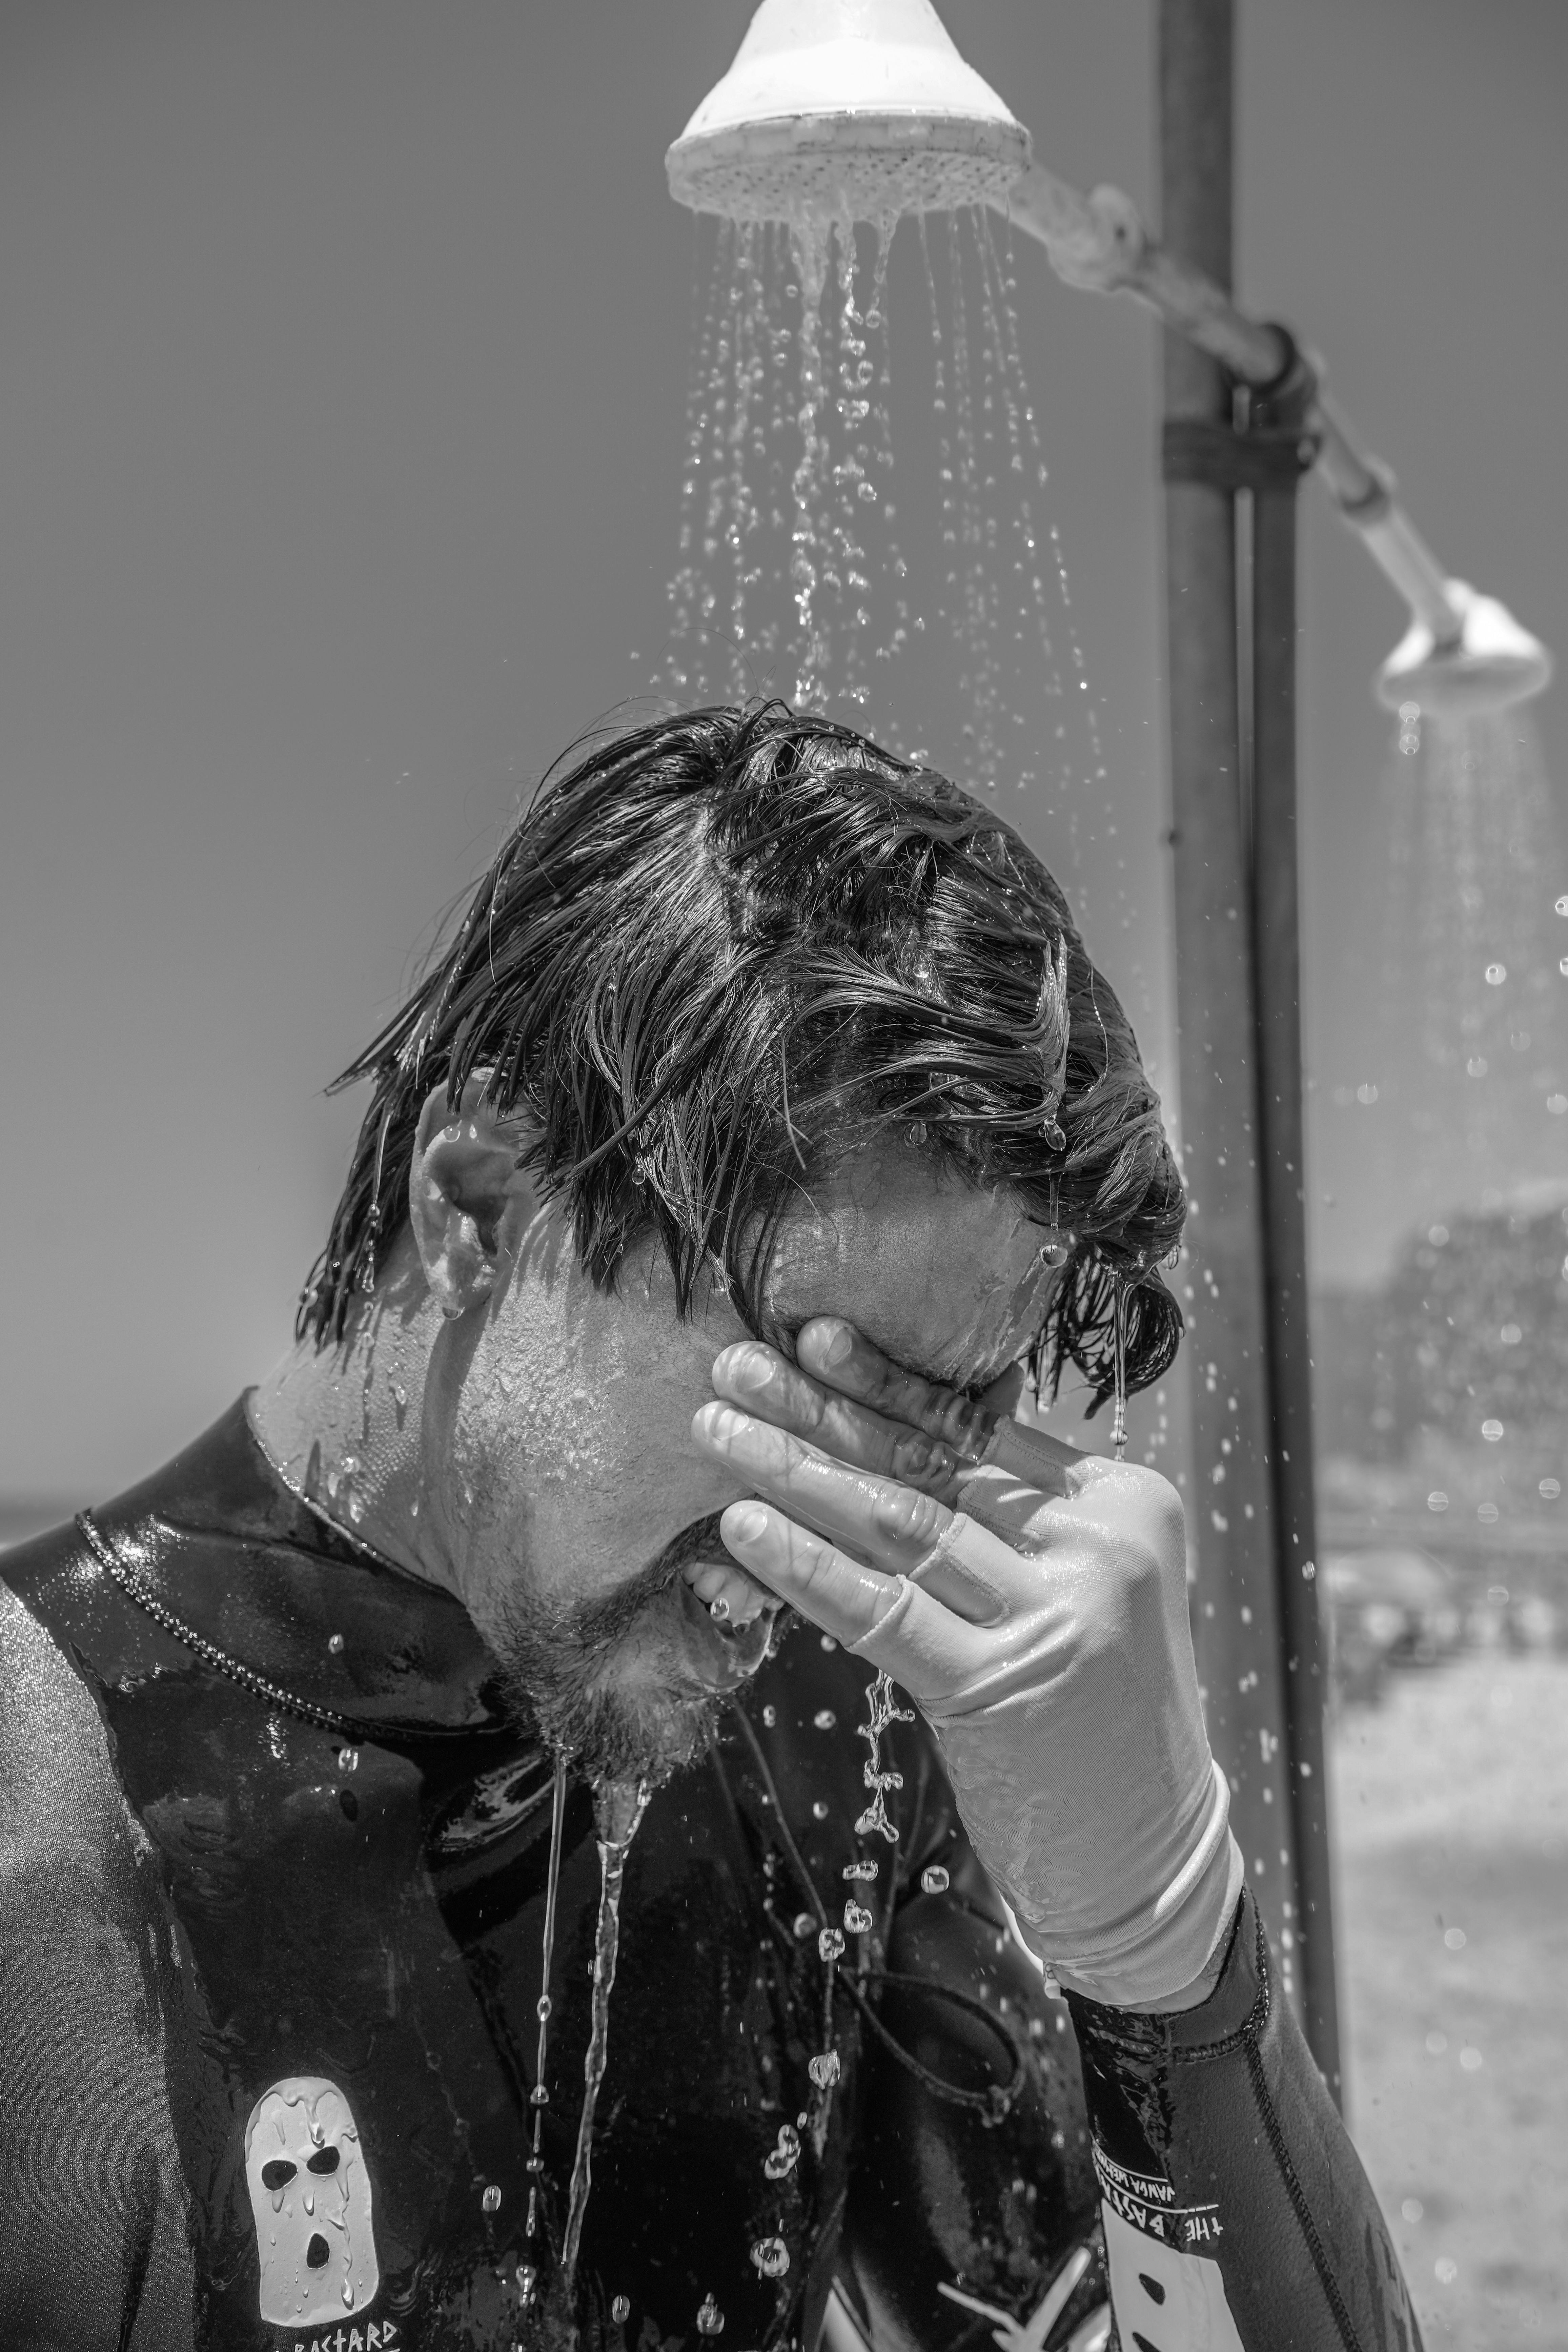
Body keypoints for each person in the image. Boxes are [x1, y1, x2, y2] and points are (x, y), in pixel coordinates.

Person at [0, 703, 1419, 2352]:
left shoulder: (840, 1740)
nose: (827, 1531)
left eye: (930, 1434)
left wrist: (1173, 1957)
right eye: (815, 1397)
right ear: (477, 1201)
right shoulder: (47, 1812)